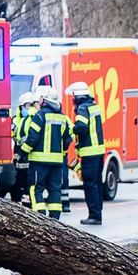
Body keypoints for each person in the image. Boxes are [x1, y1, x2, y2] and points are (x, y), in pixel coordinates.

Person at [20, 89, 72, 220]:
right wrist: (62, 153)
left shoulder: (40, 116)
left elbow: (32, 138)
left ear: (45, 100)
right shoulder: (62, 117)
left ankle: (40, 218)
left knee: (35, 188)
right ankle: (55, 219)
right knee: (55, 189)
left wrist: (23, 152)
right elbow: (67, 139)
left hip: (39, 161)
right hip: (57, 162)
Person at [68, 81, 107, 226]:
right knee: (97, 184)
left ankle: (94, 216)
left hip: (89, 153)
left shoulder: (83, 108)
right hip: (98, 152)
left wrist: (71, 129)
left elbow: (81, 127)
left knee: (90, 185)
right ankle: (98, 213)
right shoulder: (93, 106)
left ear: (77, 96)